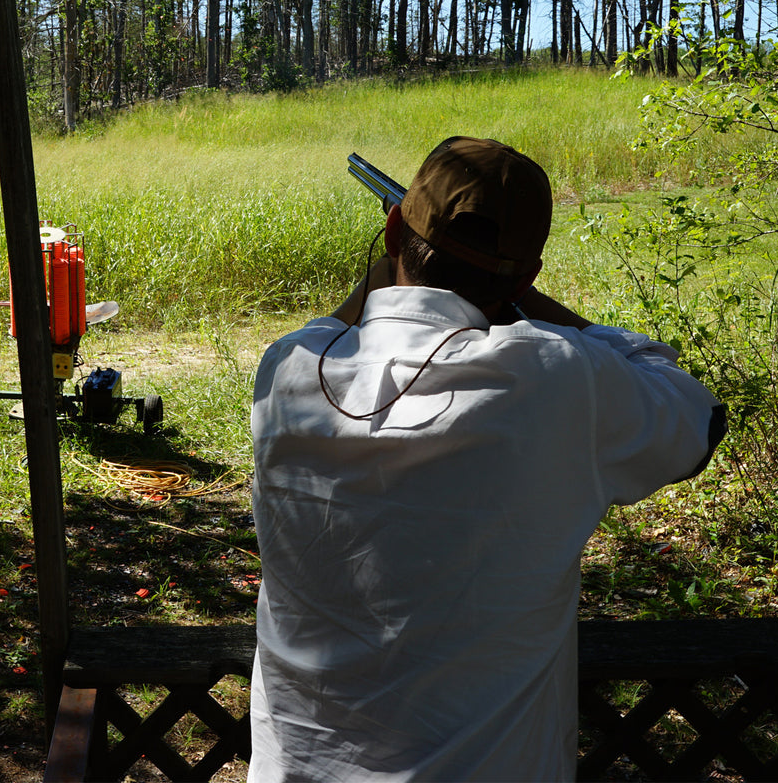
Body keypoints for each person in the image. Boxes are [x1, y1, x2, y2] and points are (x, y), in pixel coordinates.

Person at [248, 136, 726, 783]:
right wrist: (529, 302)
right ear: (525, 276)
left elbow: (334, 328)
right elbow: (700, 420)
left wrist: (379, 277)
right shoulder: (559, 376)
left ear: (393, 229)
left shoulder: (288, 367)